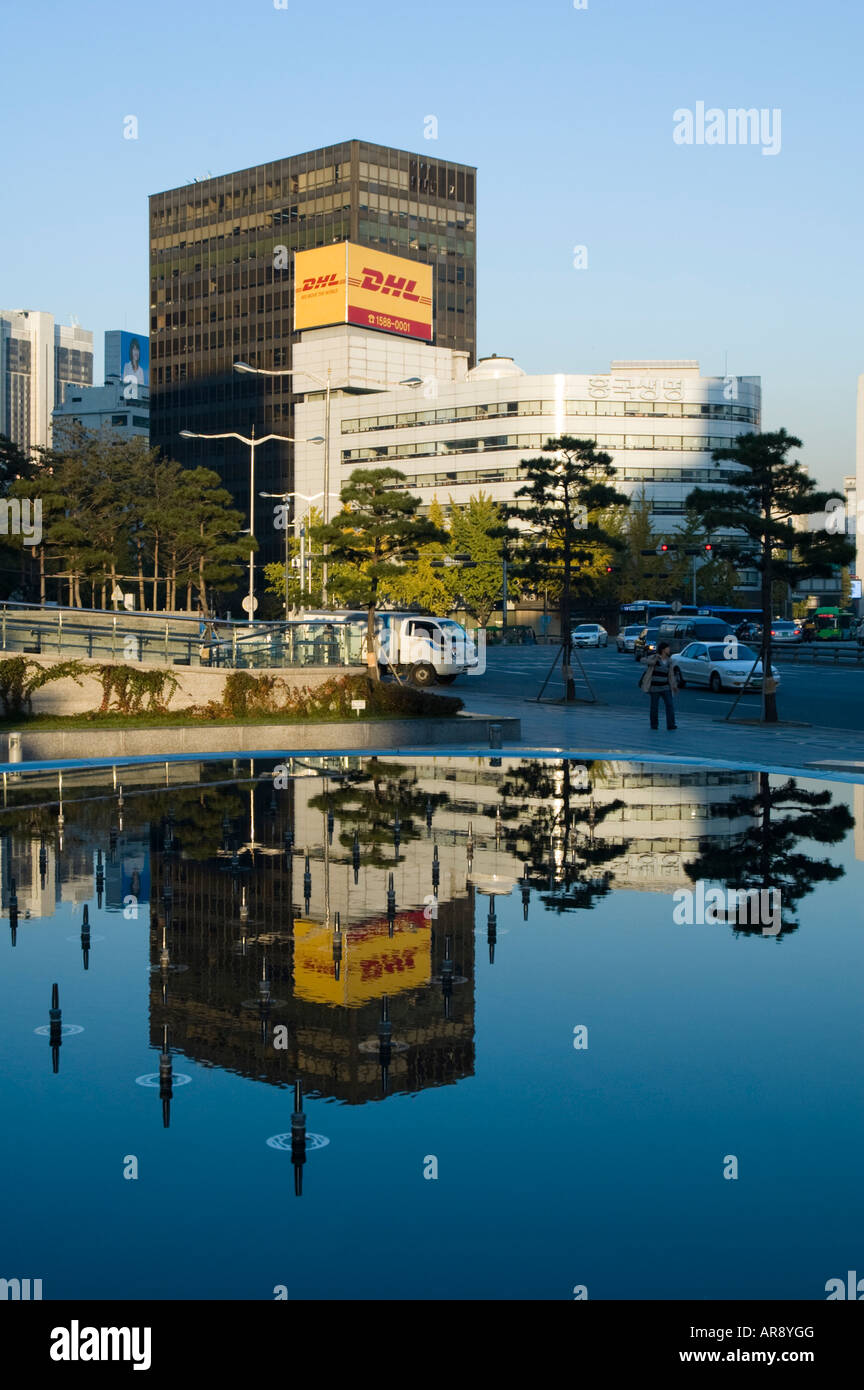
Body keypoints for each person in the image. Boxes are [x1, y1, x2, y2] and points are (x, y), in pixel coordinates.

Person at [640, 641, 678, 730]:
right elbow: (643, 660)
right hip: (654, 688)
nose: (669, 650)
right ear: (663, 649)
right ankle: (654, 725)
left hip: (666, 687)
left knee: (670, 705)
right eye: (668, 648)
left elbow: (671, 675)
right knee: (654, 707)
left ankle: (671, 724)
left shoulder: (669, 661)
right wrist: (653, 661)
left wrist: (674, 685)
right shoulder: (655, 657)